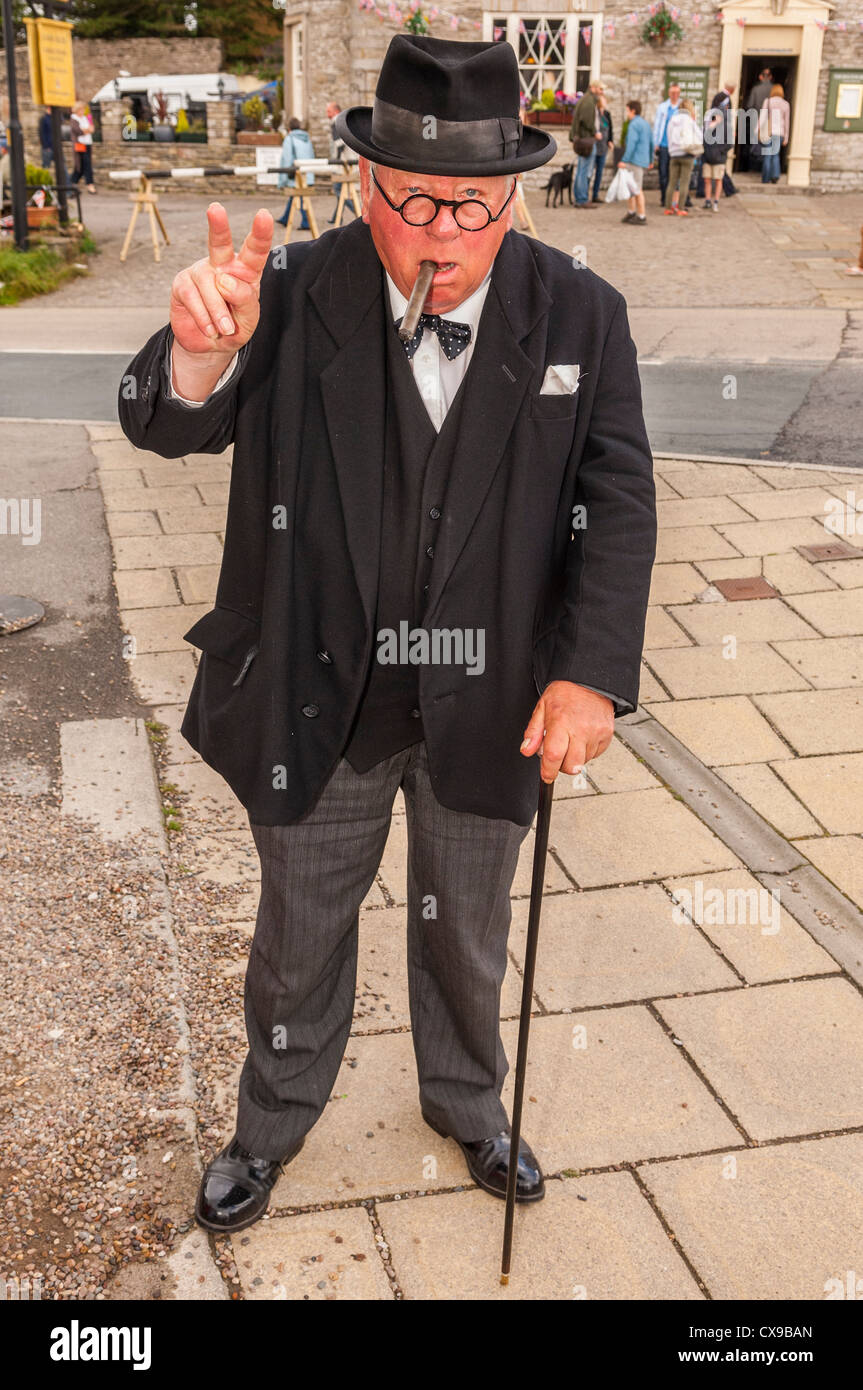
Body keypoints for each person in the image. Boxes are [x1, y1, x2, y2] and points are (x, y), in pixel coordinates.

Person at [118, 34, 656, 1235]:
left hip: (493, 695)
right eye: (413, 200)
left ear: (514, 194)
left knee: (466, 932)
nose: (444, 234)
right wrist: (202, 352)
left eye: (473, 203)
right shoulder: (295, 291)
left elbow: (615, 502)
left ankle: (466, 1103)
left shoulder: (583, 313)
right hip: (321, 692)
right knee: (297, 934)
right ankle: (269, 1125)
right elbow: (167, 425)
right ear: (362, 185)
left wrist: (588, 675)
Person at [276, 116, 316, 230]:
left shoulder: (290, 139)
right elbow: (312, 155)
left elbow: (287, 158)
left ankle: (306, 221)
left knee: (299, 195)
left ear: (289, 128)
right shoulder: (307, 138)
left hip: (295, 173)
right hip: (307, 172)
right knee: (296, 196)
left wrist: (283, 177)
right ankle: (285, 218)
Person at [570, 80, 605, 209]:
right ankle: (582, 199)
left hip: (585, 140)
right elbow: (586, 120)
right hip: (587, 140)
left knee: (581, 169)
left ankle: (580, 197)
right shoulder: (589, 101)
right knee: (584, 170)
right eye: (601, 89)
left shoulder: (588, 99)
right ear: (594, 88)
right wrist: (595, 132)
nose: (602, 92)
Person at [664, 99, 701, 216]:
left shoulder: (672, 120)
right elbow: (699, 136)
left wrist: (671, 150)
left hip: (674, 154)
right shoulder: (690, 121)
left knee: (672, 182)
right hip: (687, 154)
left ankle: (668, 208)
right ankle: (680, 208)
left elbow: (668, 136)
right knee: (684, 182)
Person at [620, 98, 653, 226]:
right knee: (631, 187)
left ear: (633, 111)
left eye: (627, 111)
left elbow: (631, 144)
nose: (627, 113)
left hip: (634, 160)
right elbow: (651, 143)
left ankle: (641, 215)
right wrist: (650, 159)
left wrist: (624, 160)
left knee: (637, 189)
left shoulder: (633, 124)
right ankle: (631, 211)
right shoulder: (645, 123)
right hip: (643, 159)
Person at [701, 87, 734, 211]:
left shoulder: (726, 127)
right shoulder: (708, 125)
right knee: (707, 180)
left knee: (718, 180)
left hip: (719, 158)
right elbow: (703, 138)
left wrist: (720, 152)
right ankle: (708, 200)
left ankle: (716, 202)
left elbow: (730, 143)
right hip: (708, 157)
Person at [652, 82, 681, 207]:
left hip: (677, 147)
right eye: (672, 93)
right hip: (664, 145)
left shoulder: (682, 107)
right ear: (669, 94)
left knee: (675, 174)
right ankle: (664, 198)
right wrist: (656, 143)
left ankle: (674, 199)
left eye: (676, 93)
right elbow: (657, 126)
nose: (674, 95)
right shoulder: (663, 107)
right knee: (663, 173)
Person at [759, 83, 790, 185]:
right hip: (779, 132)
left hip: (768, 131)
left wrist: (758, 130)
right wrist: (786, 137)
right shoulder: (785, 104)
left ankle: (765, 178)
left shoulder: (768, 101)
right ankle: (775, 175)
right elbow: (786, 121)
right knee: (775, 155)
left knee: (767, 155)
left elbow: (762, 117)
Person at [326, 100, 347, 225]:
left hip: (341, 163)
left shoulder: (335, 122)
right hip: (344, 161)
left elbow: (339, 144)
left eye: (329, 111)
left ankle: (359, 213)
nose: (327, 114)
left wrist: (337, 161)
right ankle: (336, 217)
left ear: (336, 111)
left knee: (340, 191)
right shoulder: (343, 121)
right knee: (340, 191)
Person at [591, 93, 613, 204]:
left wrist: (610, 141)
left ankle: (595, 194)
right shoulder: (595, 113)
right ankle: (585, 193)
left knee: (599, 172)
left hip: (604, 146)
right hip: (595, 145)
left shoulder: (607, 114)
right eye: (603, 100)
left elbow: (610, 129)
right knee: (590, 171)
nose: (605, 102)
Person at [70, 102, 96, 194]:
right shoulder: (74, 119)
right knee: (85, 165)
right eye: (81, 109)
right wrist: (87, 130)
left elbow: (92, 129)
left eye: (83, 109)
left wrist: (87, 130)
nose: (82, 111)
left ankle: (72, 183)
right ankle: (90, 185)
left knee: (82, 167)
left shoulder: (85, 118)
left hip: (87, 143)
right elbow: (78, 131)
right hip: (80, 145)